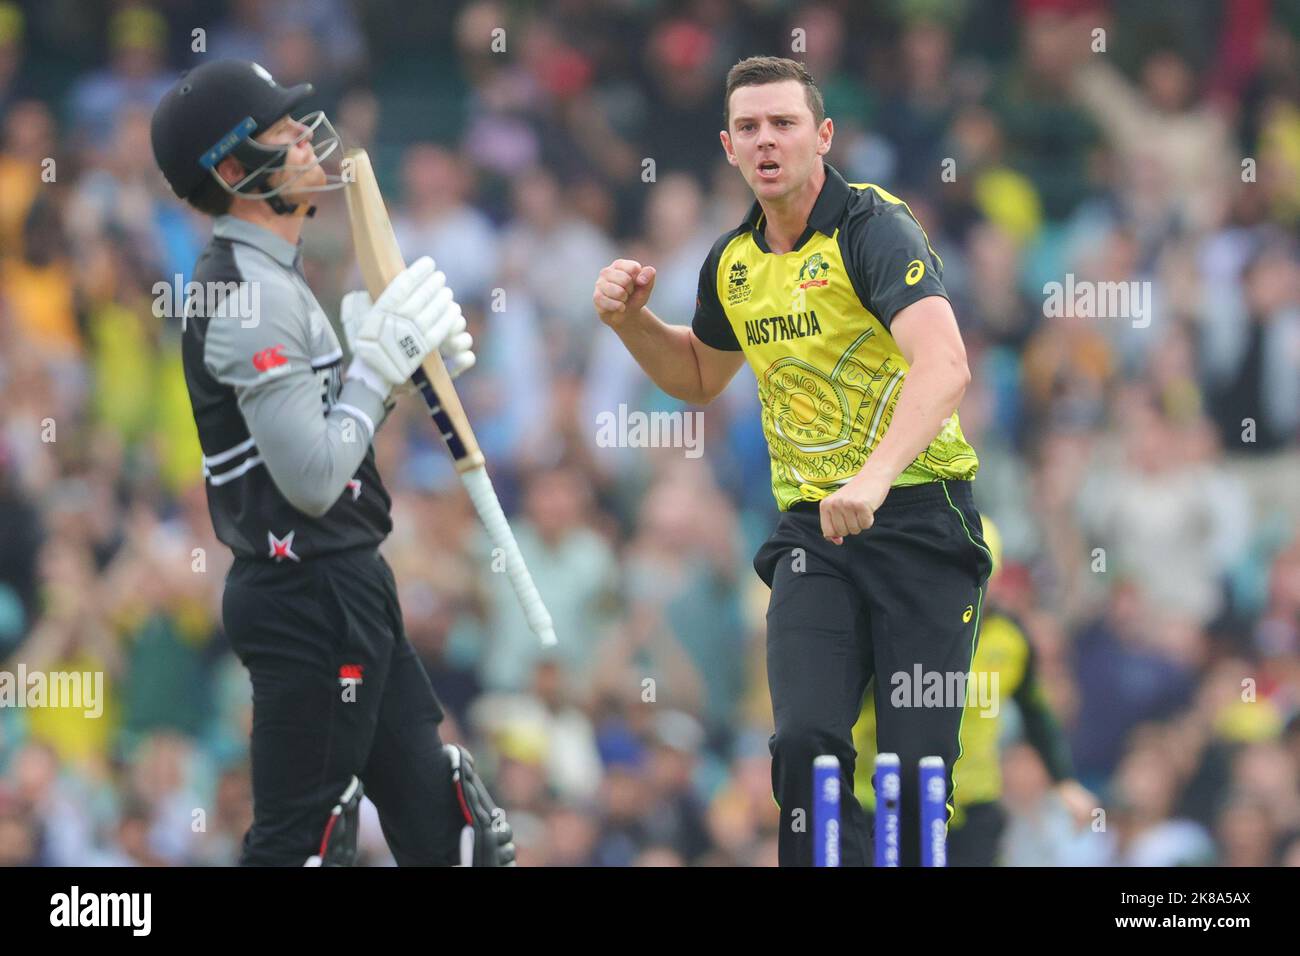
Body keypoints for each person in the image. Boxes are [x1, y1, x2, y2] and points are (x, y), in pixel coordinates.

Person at [593, 55, 991, 866]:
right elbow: (699, 375)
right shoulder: (734, 264)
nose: (767, 141)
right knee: (805, 742)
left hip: (921, 523)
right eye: (749, 128)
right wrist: (633, 323)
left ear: (824, 136)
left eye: (784, 124)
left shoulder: (872, 227)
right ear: (729, 148)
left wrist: (873, 477)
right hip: (817, 536)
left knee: (914, 780)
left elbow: (945, 364)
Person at [150, 58, 512, 866]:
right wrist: (376, 372)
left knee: (450, 834)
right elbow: (313, 480)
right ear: (235, 171)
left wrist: (375, 356)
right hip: (304, 596)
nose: (310, 143)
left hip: (346, 580)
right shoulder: (246, 291)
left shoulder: (275, 271)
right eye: (283, 134)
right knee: (302, 846)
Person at [852, 518, 1098, 865]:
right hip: (884, 801)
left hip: (971, 807)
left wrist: (1064, 781)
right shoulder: (892, 630)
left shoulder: (1010, 640)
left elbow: (1034, 711)